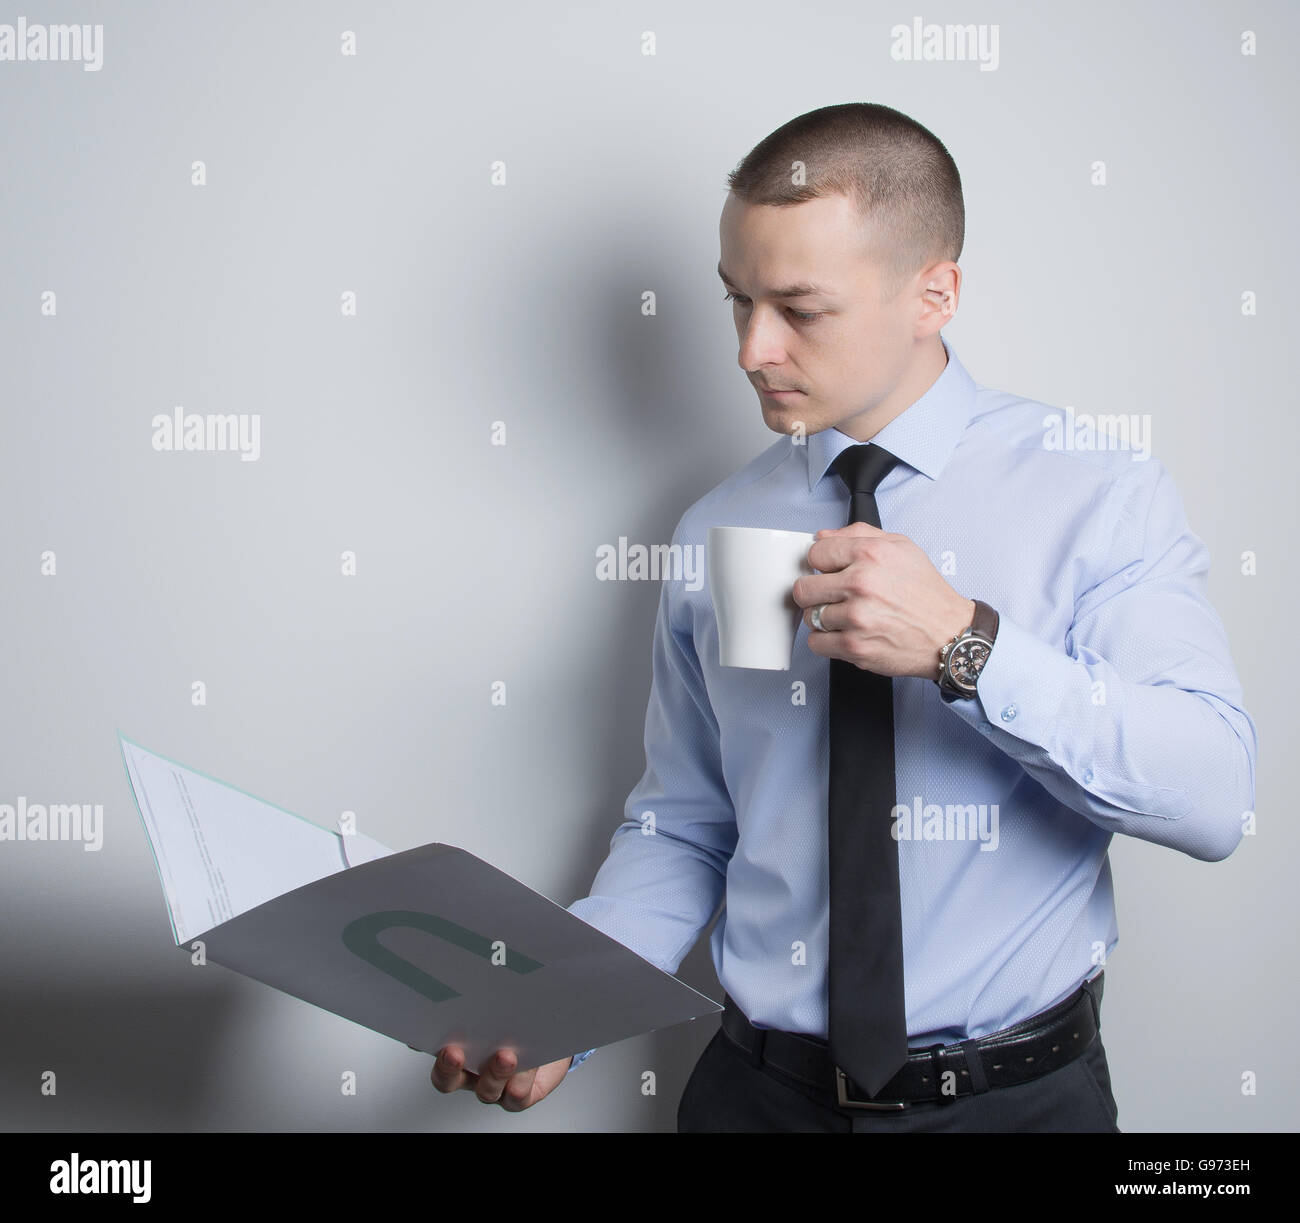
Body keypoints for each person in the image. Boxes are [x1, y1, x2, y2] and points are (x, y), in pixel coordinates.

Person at [429, 101, 1257, 1130]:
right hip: (756, 1100)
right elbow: (687, 826)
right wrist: (568, 1006)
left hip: (1015, 1109)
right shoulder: (718, 527)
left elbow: (1214, 797)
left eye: (797, 308)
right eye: (736, 301)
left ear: (934, 292)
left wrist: (966, 643)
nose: (750, 348)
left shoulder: (1096, 493)